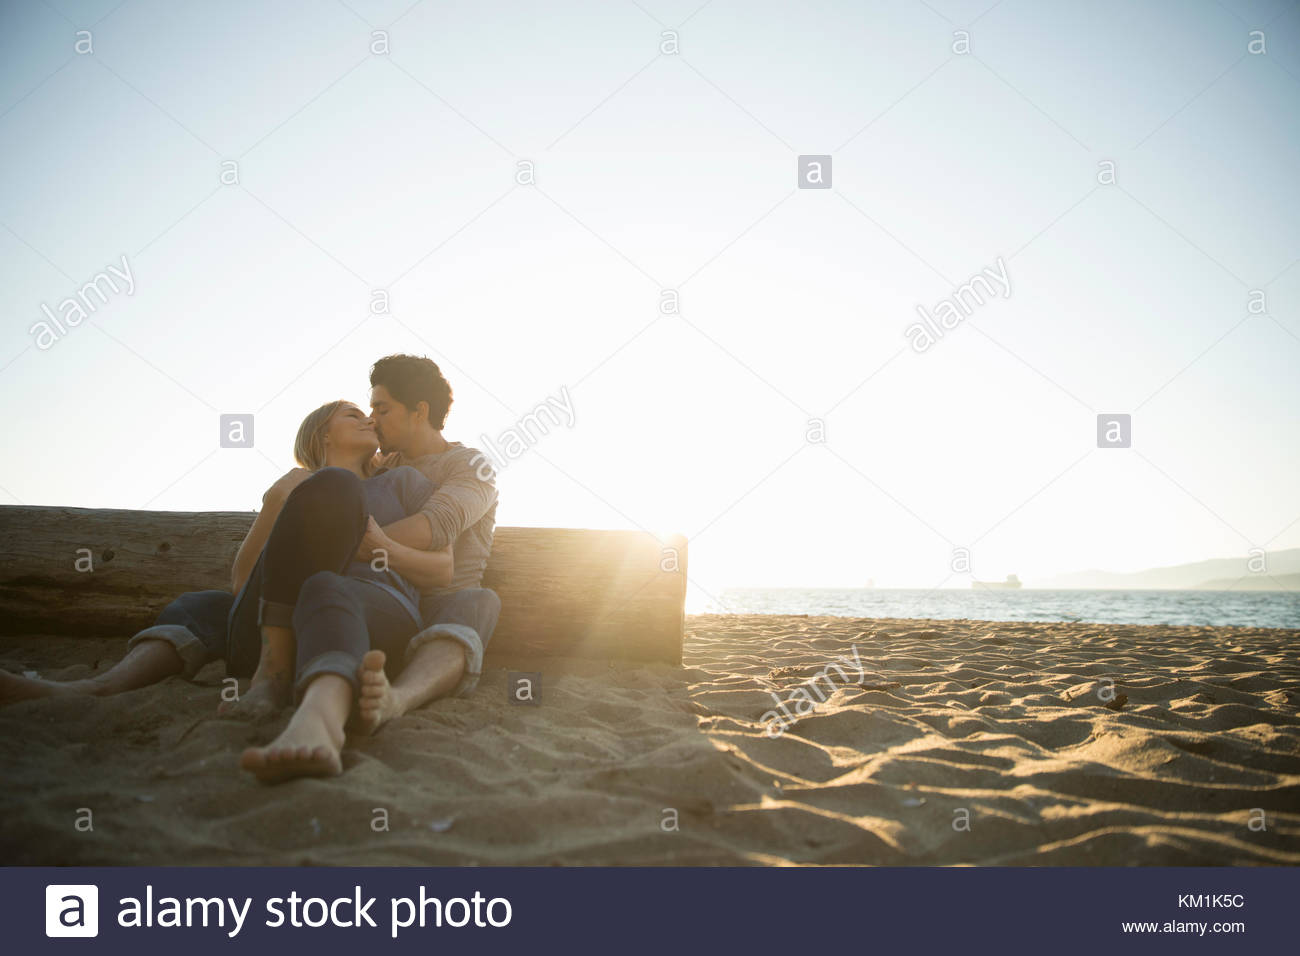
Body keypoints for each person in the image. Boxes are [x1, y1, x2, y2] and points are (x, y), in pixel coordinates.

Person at [0, 398, 502, 782]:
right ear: (323, 431)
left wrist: (376, 546)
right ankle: (97, 687)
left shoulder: (404, 483)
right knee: (203, 604)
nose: (370, 418)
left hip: (376, 614)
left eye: (373, 410)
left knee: (325, 586)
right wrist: (275, 502)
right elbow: (243, 584)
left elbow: (441, 570)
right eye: (354, 413)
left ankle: (320, 717)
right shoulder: (294, 488)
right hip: (270, 636)